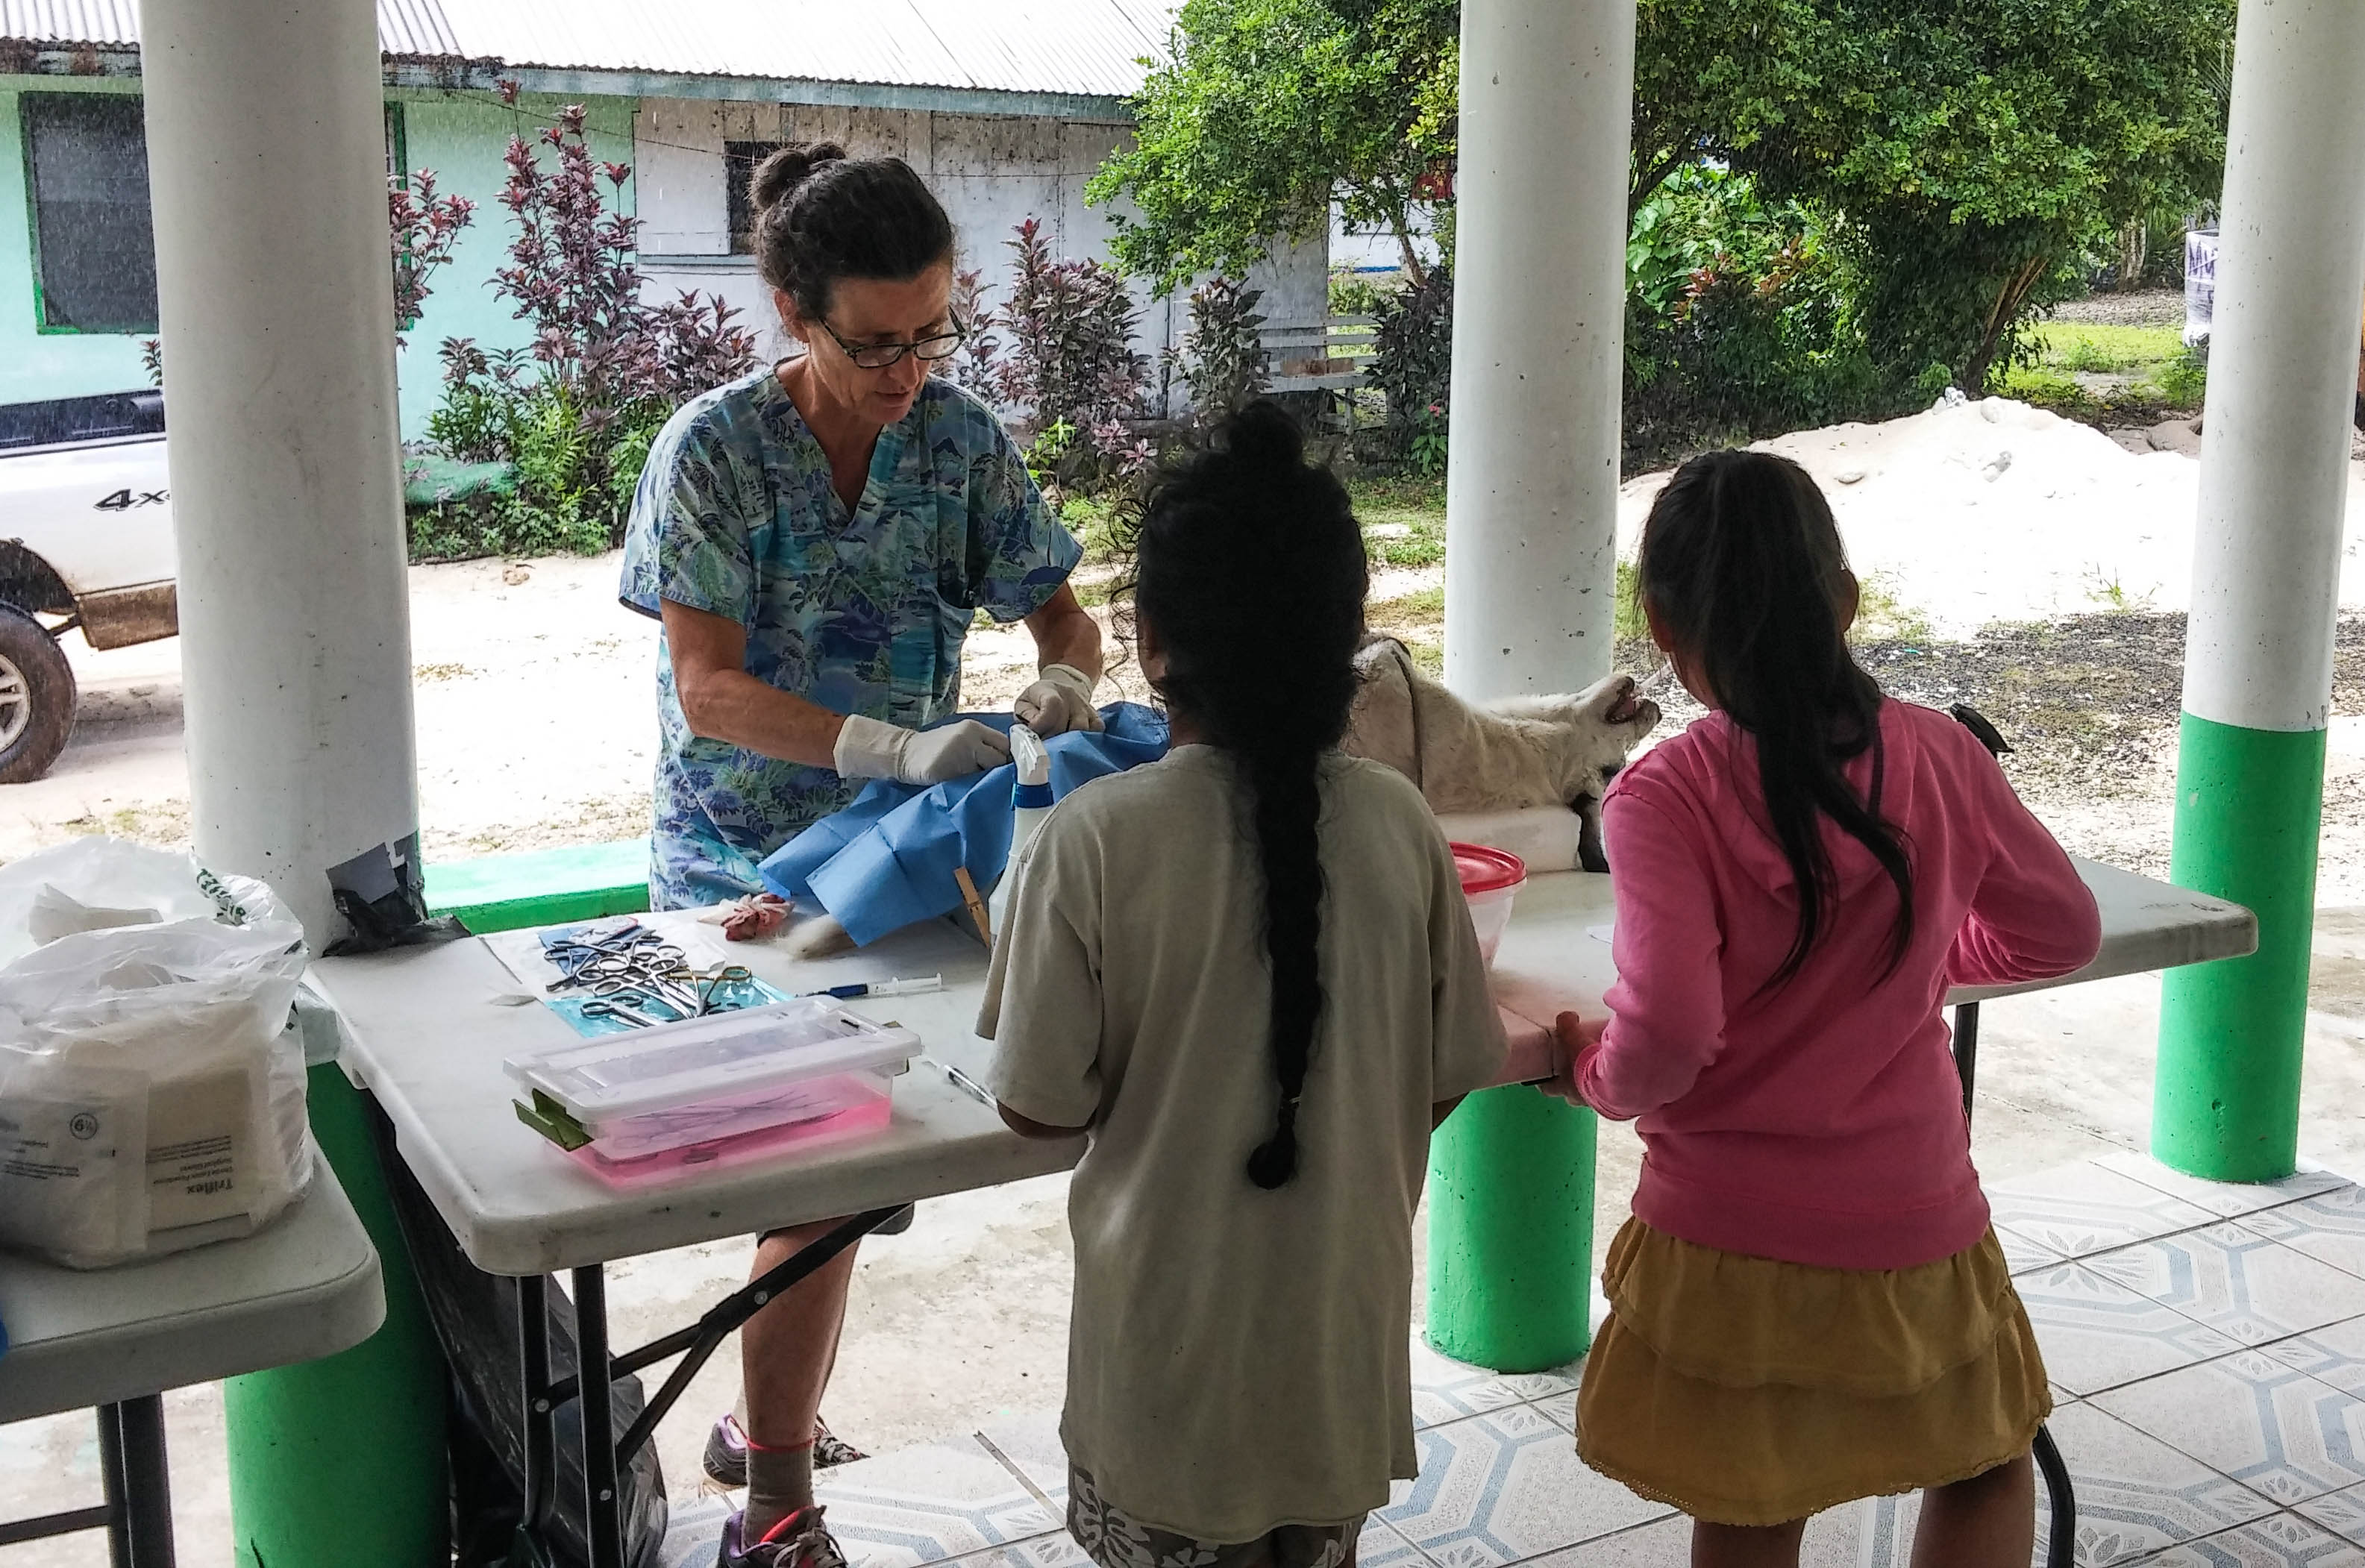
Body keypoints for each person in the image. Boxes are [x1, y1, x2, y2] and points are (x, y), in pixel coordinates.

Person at [618, 142, 1104, 1568]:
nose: (906, 371)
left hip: (898, 868)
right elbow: (705, 688)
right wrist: (887, 745)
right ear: (789, 310)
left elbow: (1059, 617)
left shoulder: (959, 443)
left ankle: (756, 1427)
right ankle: (775, 1508)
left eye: (931, 332)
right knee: (815, 1171)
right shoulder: (710, 451)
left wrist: (1059, 684)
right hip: (742, 877)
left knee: (850, 1175)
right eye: (873, 342)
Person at [1550, 450, 2102, 1566]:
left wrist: (1587, 1071)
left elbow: (1663, 1035)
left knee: (1756, 1499)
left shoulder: (1664, 794)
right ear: (1844, 602)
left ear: (1660, 626)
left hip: (1727, 1235)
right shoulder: (1942, 754)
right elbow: (2061, 930)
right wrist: (1935, 962)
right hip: (1914, 1214)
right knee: (1985, 1461)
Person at [979, 403, 1508, 1568]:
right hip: (1332, 1360)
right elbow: (1449, 1072)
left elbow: (1036, 1108)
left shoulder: (1091, 837)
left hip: (1165, 1374)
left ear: (1151, 639)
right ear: (1346, 639)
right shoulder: (1397, 823)